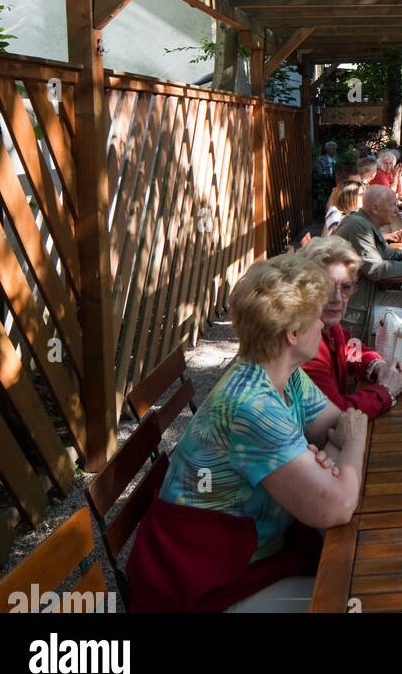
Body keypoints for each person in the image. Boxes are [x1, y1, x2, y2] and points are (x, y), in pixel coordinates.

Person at [127, 252, 367, 613]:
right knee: (353, 599)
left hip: (243, 557)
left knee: (353, 574)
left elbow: (333, 426)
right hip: (204, 583)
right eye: (316, 317)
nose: (324, 324)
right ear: (293, 333)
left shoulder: (284, 375)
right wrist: (350, 447)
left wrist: (332, 453)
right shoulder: (253, 406)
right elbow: (336, 505)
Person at [302, 237, 402, 417]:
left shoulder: (329, 326)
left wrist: (379, 367)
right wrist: (386, 390)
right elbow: (337, 413)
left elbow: (351, 349)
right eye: (327, 287)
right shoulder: (304, 343)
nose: (337, 298)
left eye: (346, 287)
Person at [335, 184, 402, 341]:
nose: (397, 210)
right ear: (375, 208)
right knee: (400, 316)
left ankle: (390, 352)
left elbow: (386, 252)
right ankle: (387, 355)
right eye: (393, 205)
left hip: (363, 296)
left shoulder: (364, 222)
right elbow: (376, 270)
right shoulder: (357, 226)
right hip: (350, 306)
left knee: (401, 299)